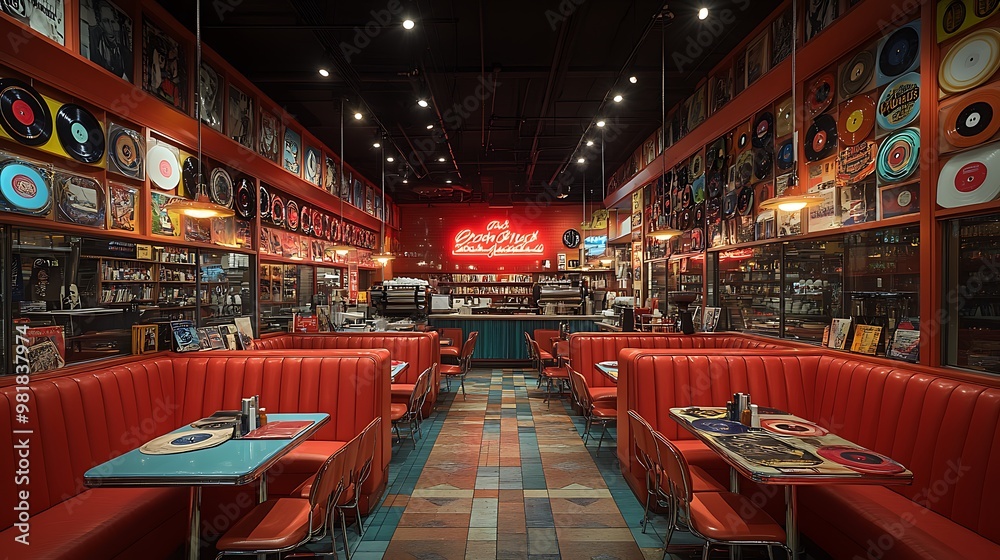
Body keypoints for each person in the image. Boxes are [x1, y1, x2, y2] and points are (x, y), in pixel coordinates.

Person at [84, 0, 131, 80]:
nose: (110, 27)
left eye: (112, 22)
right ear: (99, 22)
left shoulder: (125, 53)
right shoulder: (92, 42)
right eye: (106, 21)